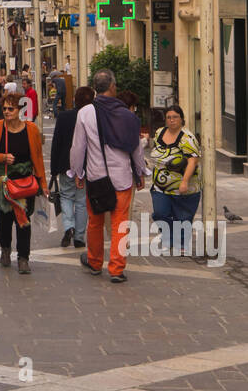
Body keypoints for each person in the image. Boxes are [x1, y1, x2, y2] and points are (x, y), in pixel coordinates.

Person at [72, 68, 147, 284]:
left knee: (95, 221)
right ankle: (116, 268)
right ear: (113, 86)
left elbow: (78, 147)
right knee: (119, 223)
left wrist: (77, 172)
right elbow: (136, 148)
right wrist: (140, 172)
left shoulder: (85, 113)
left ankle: (95, 262)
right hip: (122, 178)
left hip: (96, 178)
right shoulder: (126, 114)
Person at [0, 92, 47, 274]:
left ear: (20, 110)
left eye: (11, 108)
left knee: (23, 221)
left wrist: (43, 183)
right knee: (5, 219)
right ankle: (5, 250)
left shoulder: (31, 129)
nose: (6, 112)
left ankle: (24, 258)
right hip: (5, 181)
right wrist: (2, 157)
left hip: (25, 181)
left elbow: (38, 158)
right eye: (5, 108)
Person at [148, 105, 202, 255]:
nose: (172, 120)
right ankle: (169, 237)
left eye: (175, 117)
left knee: (183, 217)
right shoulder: (159, 133)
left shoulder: (187, 138)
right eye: (169, 117)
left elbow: (193, 161)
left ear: (182, 119)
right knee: (160, 213)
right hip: (160, 185)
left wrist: (184, 181)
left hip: (183, 186)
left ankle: (182, 243)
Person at [50, 85, 92, 250]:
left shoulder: (64, 116)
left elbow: (56, 142)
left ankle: (69, 227)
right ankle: (80, 236)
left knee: (66, 196)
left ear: (75, 100)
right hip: (86, 165)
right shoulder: (92, 118)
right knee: (82, 200)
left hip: (64, 164)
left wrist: (54, 168)